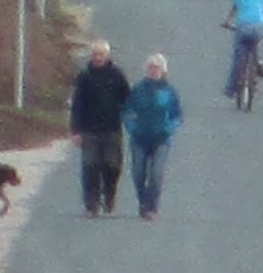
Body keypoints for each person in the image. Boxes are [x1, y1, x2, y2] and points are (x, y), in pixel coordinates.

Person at [69, 39, 130, 216]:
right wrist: (75, 130)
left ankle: (109, 194)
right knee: (90, 166)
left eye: (101, 54)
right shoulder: (84, 77)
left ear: (107, 55)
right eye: (94, 54)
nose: (97, 57)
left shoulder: (117, 75)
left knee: (112, 166)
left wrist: (132, 120)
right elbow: (77, 105)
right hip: (89, 130)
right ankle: (91, 205)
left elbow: (127, 100)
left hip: (112, 129)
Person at [122, 52, 183, 221]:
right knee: (138, 174)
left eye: (157, 68)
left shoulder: (170, 92)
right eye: (150, 67)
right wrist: (132, 128)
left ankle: (152, 207)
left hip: (161, 140)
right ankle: (142, 202)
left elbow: (177, 116)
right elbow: (127, 111)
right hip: (139, 139)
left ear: (163, 70)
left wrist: (169, 128)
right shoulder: (138, 89)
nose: (153, 71)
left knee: (156, 175)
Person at [222, 0, 263, 95]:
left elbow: (232, 14)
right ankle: (258, 61)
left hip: (244, 27)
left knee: (238, 57)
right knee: (254, 44)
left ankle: (231, 89)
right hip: (259, 26)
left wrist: (226, 23)